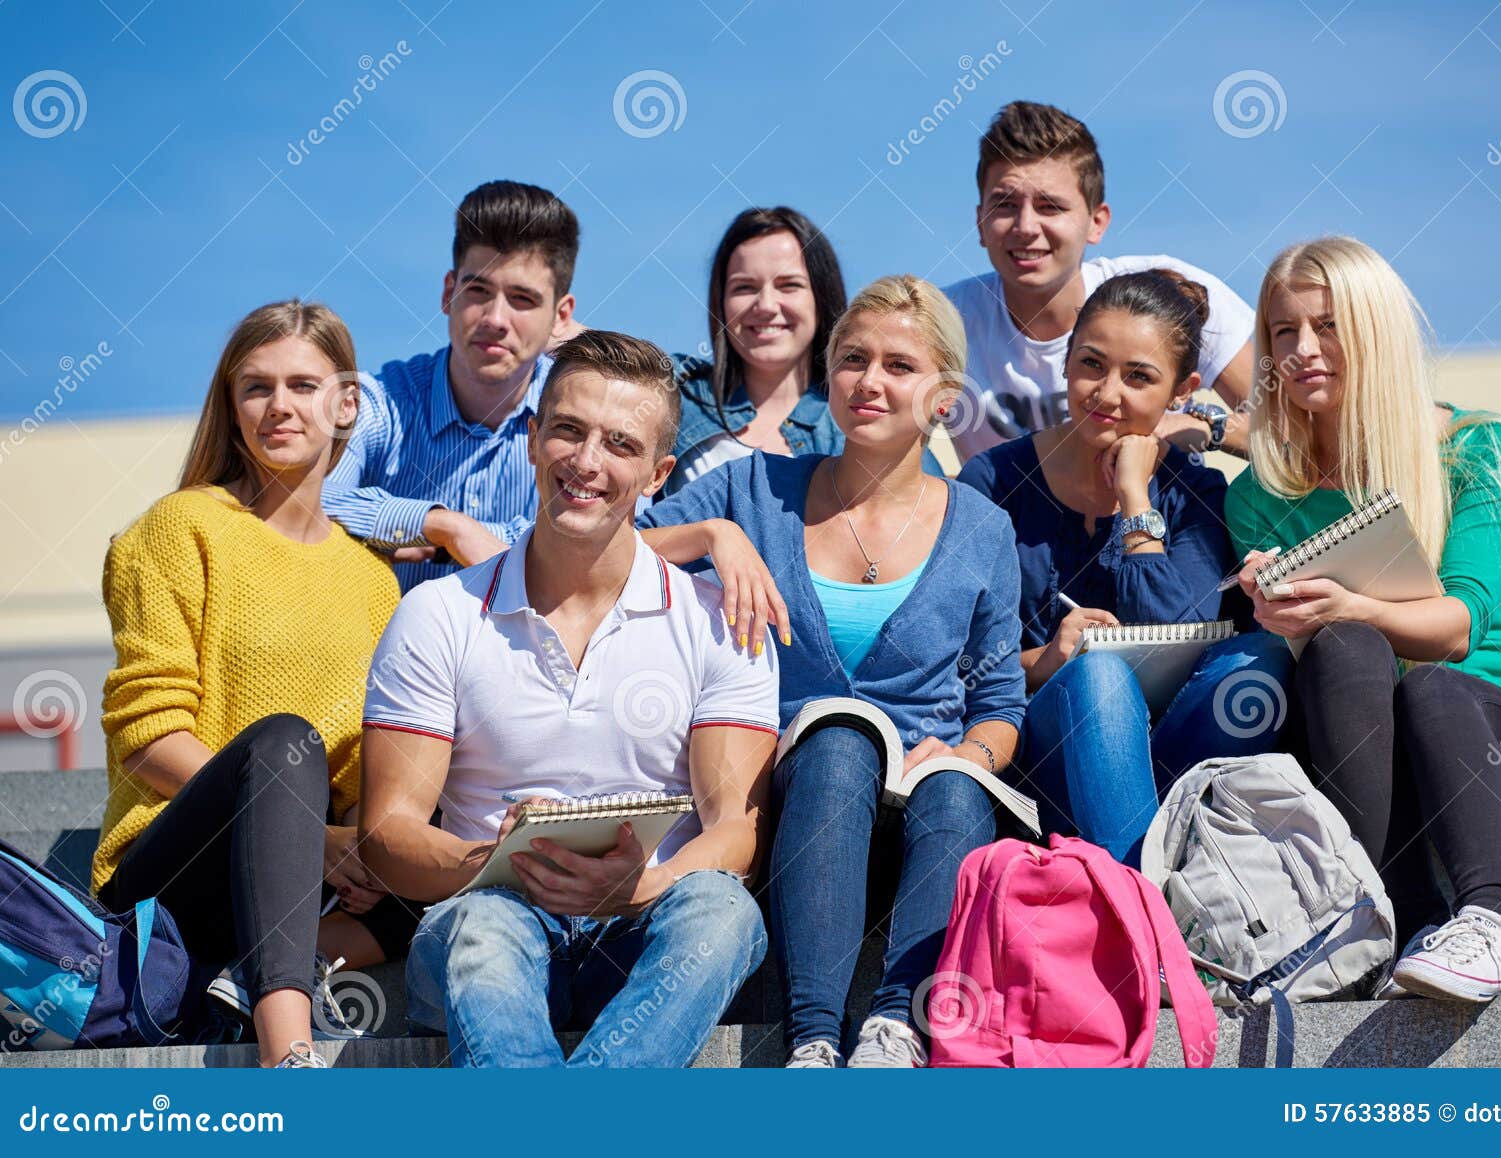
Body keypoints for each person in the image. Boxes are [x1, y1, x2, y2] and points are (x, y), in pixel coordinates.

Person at [358, 330, 779, 1068]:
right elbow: (388, 834)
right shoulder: (438, 615)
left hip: (648, 930)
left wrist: (643, 884)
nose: (587, 462)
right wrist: (493, 861)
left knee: (722, 911)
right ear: (531, 439)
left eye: (620, 444)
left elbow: (734, 833)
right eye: (568, 431)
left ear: (658, 474)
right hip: (490, 919)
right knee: (482, 929)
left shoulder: (720, 622)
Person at [640, 275, 1027, 1068]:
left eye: (899, 366)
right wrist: (713, 534)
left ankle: (895, 1027)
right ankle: (813, 1040)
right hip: (789, 798)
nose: (870, 382)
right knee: (839, 738)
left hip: (924, 822)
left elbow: (1000, 701)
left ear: (945, 398)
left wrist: (966, 754)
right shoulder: (752, 488)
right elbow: (606, 550)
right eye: (853, 360)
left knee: (957, 782)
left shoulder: (985, 528)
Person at [1226, 236, 1501, 1001]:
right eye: (1284, 331)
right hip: (1373, 759)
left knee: (1431, 687)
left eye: (1329, 325)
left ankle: (1492, 921)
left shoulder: (1476, 446)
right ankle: (1394, 922)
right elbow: (1320, 661)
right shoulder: (1257, 493)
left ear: (1375, 329)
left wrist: (1351, 603)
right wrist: (1281, 613)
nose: (1303, 350)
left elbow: (1461, 625)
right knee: (1343, 645)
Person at [94, 301, 403, 1068]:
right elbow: (147, 737)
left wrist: (350, 841)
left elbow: (369, 764)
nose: (280, 407)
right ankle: (286, 1060)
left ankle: (243, 974)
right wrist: (308, 833)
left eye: (303, 384)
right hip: (168, 879)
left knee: (449, 849)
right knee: (285, 741)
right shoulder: (180, 528)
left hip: (299, 877)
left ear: (346, 405)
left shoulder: (374, 583)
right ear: (231, 410)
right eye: (256, 388)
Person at [959, 270, 1292, 866]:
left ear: (1181, 391)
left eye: (1138, 377)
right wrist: (1051, 659)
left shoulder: (1195, 492)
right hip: (1044, 752)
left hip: (1172, 746)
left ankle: (1154, 875)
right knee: (1100, 680)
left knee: (1260, 661)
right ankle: (1143, 905)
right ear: (1065, 362)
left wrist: (1137, 497)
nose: (1107, 393)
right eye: (1091, 364)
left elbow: (1173, 629)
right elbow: (957, 662)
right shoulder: (992, 483)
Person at [943, 101, 1256, 463]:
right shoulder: (939, 323)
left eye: (1049, 207)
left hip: (1160, 513)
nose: (1025, 227)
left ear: (1097, 222)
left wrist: (1200, 428)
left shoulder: (1166, 293)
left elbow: (1291, 437)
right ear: (981, 221)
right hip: (1011, 518)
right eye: (1005, 205)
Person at [322, 180, 580, 591]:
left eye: (522, 299)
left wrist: (444, 533)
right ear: (448, 292)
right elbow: (306, 498)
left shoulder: (587, 418)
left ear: (561, 316)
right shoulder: (381, 401)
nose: (495, 318)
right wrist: (443, 526)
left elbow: (615, 537)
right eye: (478, 290)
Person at [663, 206, 850, 496]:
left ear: (821, 297)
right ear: (721, 301)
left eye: (789, 285)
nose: (765, 306)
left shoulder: (858, 424)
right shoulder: (677, 391)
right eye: (744, 287)